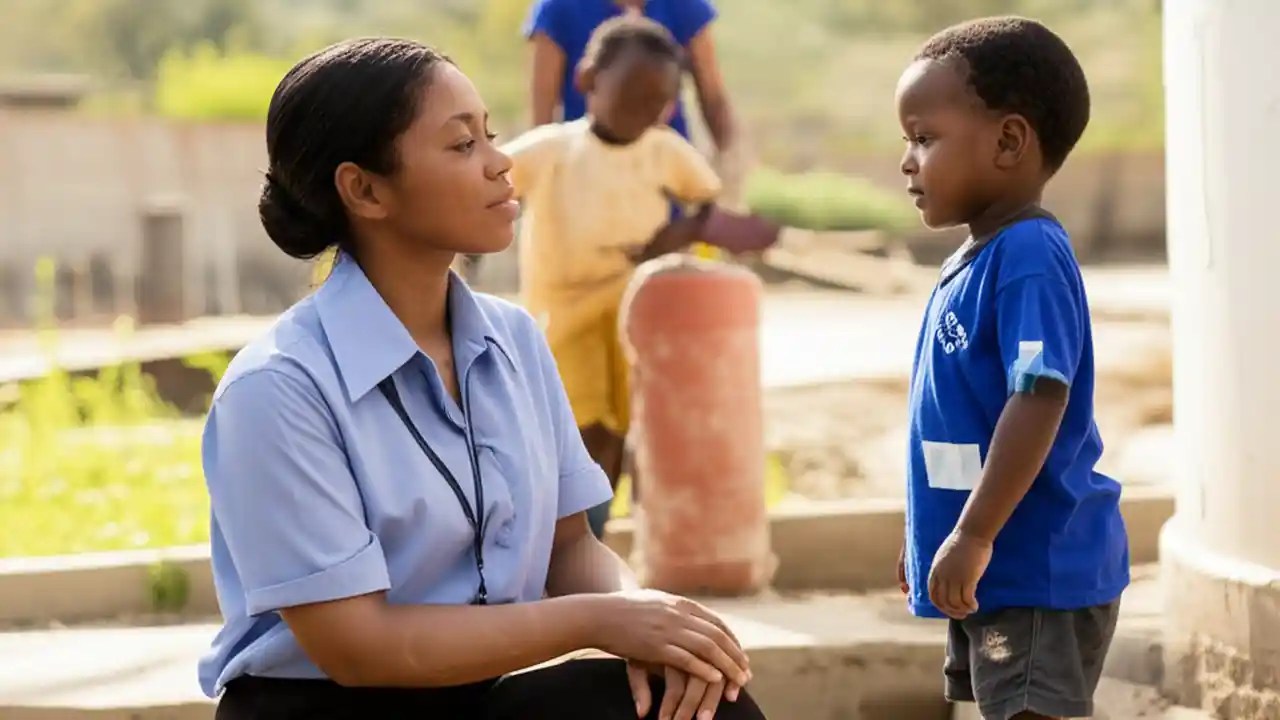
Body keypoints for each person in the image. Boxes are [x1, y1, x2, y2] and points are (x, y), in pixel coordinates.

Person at [198, 37, 766, 720]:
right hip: (326, 707)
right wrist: (597, 623)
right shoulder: (278, 388)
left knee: (706, 704)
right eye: (463, 146)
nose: (502, 165)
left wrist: (646, 616)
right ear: (366, 189)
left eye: (490, 136)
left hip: (475, 694)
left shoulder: (515, 339)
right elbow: (358, 648)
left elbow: (570, 546)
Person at [894, 17, 1128, 720]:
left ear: (1008, 140)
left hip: (1032, 565)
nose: (907, 160)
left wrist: (972, 534)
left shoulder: (1027, 256)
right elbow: (962, 413)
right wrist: (929, 531)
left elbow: (1037, 396)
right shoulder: (979, 257)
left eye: (924, 138)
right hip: (992, 561)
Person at [501, 16, 722, 540]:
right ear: (588, 81)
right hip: (563, 310)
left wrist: (678, 235)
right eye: (633, 96)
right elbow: (490, 184)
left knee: (623, 424)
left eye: (659, 102)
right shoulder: (552, 148)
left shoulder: (663, 148)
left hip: (634, 308)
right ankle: (571, 535)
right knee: (578, 425)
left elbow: (707, 200)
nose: (645, 112)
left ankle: (596, 536)